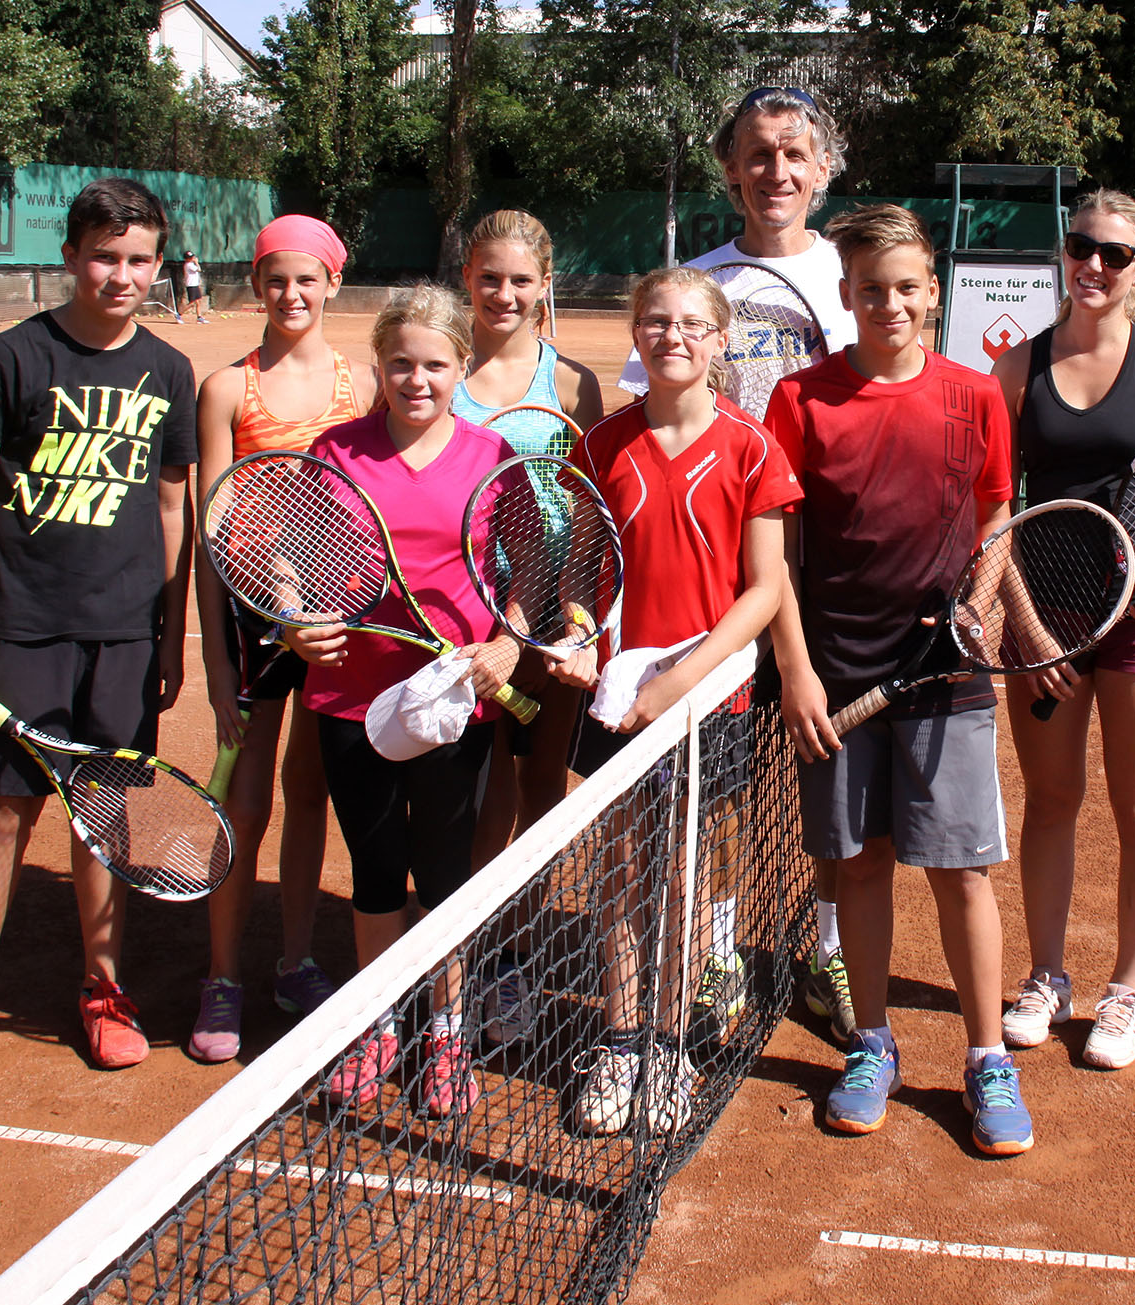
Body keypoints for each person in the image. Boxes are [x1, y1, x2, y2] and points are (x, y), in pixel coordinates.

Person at [0, 178, 197, 1083]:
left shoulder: (168, 369)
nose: (122, 275)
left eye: (140, 259)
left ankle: (104, 988)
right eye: (105, 256)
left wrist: (168, 633)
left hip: (123, 638)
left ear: (161, 266)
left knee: (104, 820)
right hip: (23, 632)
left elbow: (169, 509)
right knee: (3, 813)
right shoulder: (12, 355)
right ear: (72, 255)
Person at [766, 203, 1032, 1156]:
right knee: (866, 863)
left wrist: (983, 597)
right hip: (839, 673)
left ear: (933, 292)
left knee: (962, 870)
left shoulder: (975, 395)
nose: (890, 303)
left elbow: (998, 509)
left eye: (907, 287)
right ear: (846, 296)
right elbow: (781, 555)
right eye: (871, 289)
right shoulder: (799, 401)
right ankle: (871, 1043)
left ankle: (986, 1053)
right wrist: (795, 670)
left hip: (946, 674)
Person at [622, 86, 860, 1044]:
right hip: (720, 574)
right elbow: (651, 415)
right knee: (715, 791)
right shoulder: (695, 286)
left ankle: (825, 945)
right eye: (758, 155)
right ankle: (718, 953)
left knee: (828, 776)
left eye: (795, 154)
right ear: (729, 169)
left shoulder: (853, 276)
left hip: (833, 566)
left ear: (824, 169)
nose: (777, 172)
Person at [549, 266, 797, 1135]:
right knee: (621, 867)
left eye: (694, 324)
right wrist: (581, 637)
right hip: (620, 694)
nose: (674, 337)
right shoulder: (601, 443)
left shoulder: (754, 446)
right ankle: (620, 1041)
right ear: (635, 334)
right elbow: (584, 567)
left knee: (687, 870)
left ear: (721, 340)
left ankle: (669, 1041)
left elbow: (764, 591)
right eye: (656, 321)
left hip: (708, 698)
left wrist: (680, 684)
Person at [282, 285, 523, 1116]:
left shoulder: (494, 458)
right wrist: (294, 623)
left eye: (434, 365)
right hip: (352, 698)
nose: (416, 380)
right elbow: (292, 559)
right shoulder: (334, 451)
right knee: (379, 873)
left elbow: (518, 579)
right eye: (399, 364)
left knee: (446, 874)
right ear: (378, 366)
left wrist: (509, 643)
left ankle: (444, 1032)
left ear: (462, 366)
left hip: (455, 700)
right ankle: (380, 1024)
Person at [991, 189, 1135, 1072]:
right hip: (1046, 617)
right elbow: (994, 509)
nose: (1093, 264)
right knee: (1049, 802)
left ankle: (1127, 990)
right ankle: (1047, 976)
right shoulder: (1019, 369)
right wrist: (1026, 624)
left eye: (1114, 255)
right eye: (1082, 246)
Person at [187, 215, 375, 1064]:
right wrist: (217, 652)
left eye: (307, 279)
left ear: (333, 282)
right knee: (244, 801)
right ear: (257, 285)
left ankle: (295, 959)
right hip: (255, 618)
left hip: (338, 619)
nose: (291, 294)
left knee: (310, 794)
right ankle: (222, 973)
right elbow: (212, 525)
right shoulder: (227, 388)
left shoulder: (360, 383)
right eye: (275, 279)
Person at [452, 210, 605, 1048]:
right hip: (463, 618)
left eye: (521, 279)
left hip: (547, 624)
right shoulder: (439, 372)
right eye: (488, 277)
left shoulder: (574, 384)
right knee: (484, 799)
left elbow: (587, 509)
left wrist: (566, 618)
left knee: (544, 791)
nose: (504, 293)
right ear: (466, 279)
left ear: (545, 284)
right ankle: (476, 957)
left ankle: (518, 950)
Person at [182, 251, 207, 324]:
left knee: (198, 301)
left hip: (195, 285)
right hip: (191, 285)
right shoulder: (189, 265)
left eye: (192, 257)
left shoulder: (190, 264)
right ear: (186, 259)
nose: (192, 258)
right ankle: (179, 314)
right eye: (190, 258)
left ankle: (199, 317)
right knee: (192, 303)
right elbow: (199, 269)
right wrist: (196, 262)